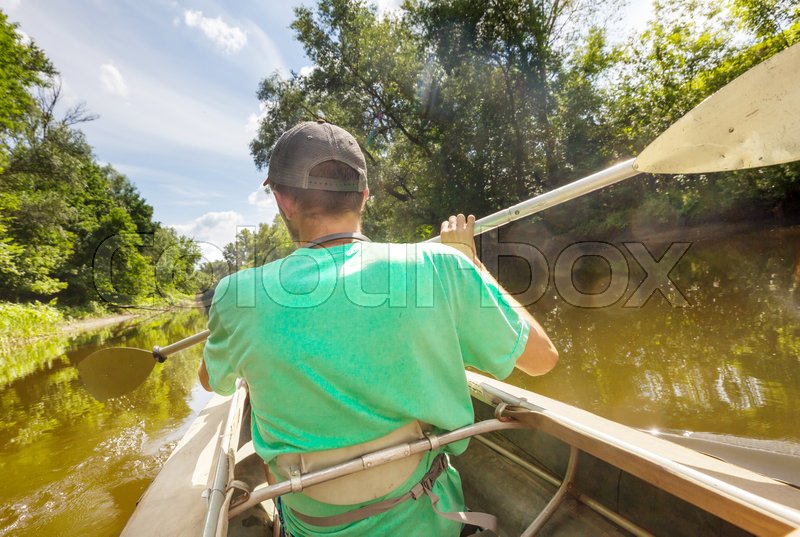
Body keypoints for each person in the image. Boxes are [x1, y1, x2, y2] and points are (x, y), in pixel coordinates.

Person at [198, 119, 558, 537]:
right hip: (432, 520)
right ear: (365, 196)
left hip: (311, 524)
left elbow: (213, 383)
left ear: (283, 201)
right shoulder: (443, 267)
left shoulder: (237, 296)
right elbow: (541, 359)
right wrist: (472, 265)